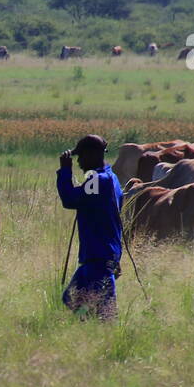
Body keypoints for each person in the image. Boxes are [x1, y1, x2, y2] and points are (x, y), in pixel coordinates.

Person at [57, 134, 123, 320]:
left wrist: (65, 171)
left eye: (81, 157)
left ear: (94, 155)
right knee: (72, 300)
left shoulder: (97, 180)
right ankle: (87, 326)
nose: (78, 162)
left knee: (105, 312)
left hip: (98, 256)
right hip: (101, 254)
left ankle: (102, 335)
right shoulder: (112, 178)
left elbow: (69, 199)